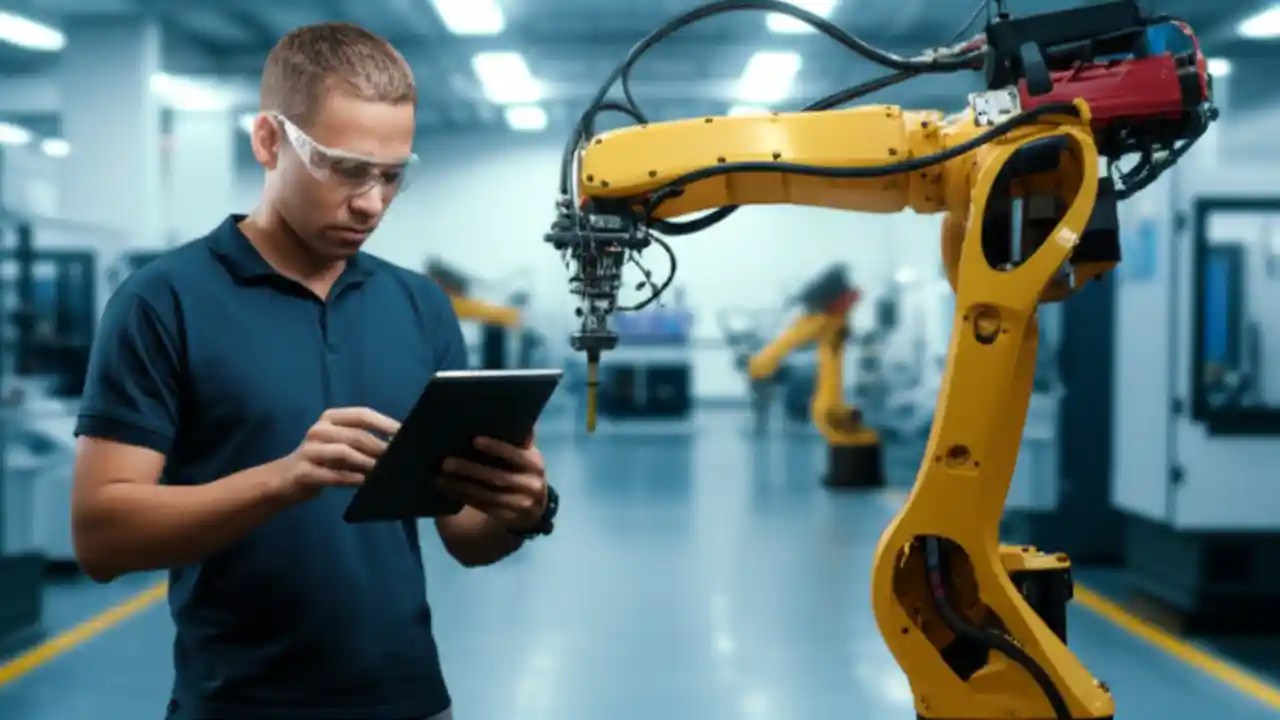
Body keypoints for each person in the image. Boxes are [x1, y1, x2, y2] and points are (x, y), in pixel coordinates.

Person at [69, 22, 559, 720]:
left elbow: (467, 539)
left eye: (392, 176)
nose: (371, 202)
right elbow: (100, 538)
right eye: (346, 168)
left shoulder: (419, 307)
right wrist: (283, 479)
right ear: (269, 141)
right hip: (238, 704)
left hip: (411, 702)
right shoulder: (163, 301)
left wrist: (523, 508)